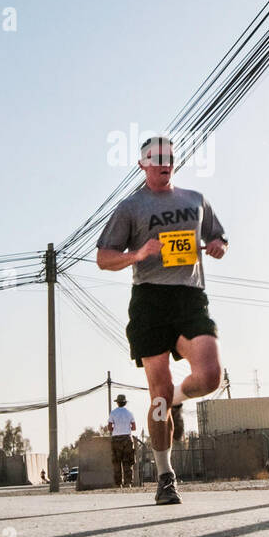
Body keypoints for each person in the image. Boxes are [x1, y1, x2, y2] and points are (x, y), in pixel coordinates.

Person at [96, 134, 228, 505]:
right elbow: (104, 257)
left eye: (168, 156)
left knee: (210, 377)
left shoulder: (195, 200)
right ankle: (166, 476)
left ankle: (179, 397)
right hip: (150, 300)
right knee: (157, 395)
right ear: (142, 165)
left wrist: (218, 247)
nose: (162, 162)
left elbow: (218, 238)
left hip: (189, 298)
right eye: (154, 158)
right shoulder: (130, 207)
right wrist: (137, 254)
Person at [108, 393, 137, 488]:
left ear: (117, 403)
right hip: (127, 439)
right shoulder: (130, 413)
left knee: (117, 462)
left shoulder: (113, 413)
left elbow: (109, 427)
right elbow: (133, 428)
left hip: (116, 438)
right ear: (125, 403)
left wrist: (116, 429)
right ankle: (128, 483)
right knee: (127, 462)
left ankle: (118, 483)